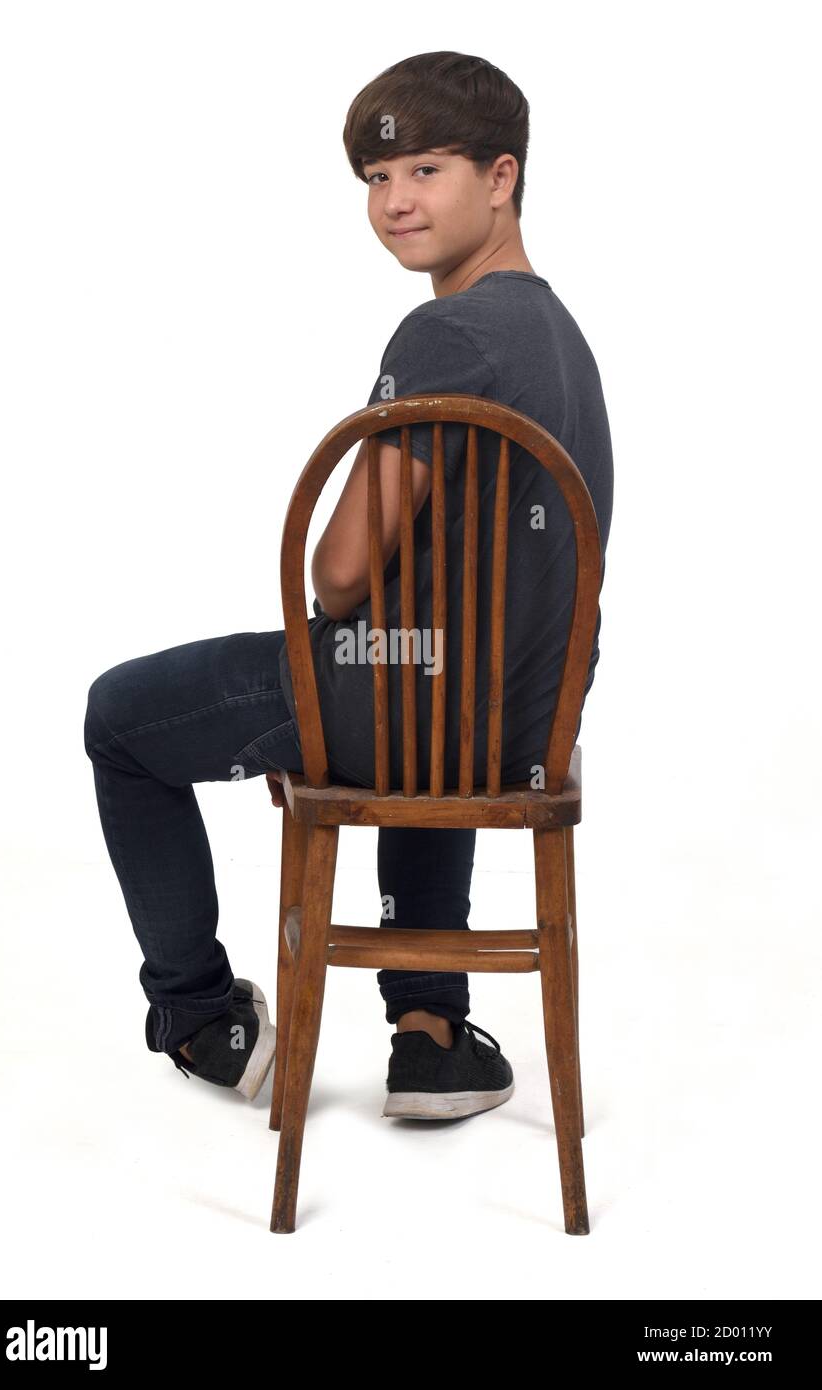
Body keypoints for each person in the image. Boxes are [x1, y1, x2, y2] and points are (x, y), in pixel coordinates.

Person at [83, 50, 613, 1120]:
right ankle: (428, 1033)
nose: (394, 202)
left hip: (401, 698)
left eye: (424, 169)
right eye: (375, 181)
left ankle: (200, 1018)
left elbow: (334, 574)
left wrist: (345, 634)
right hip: (519, 719)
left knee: (121, 719)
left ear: (500, 177)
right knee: (432, 683)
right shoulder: (560, 336)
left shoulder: (447, 331)